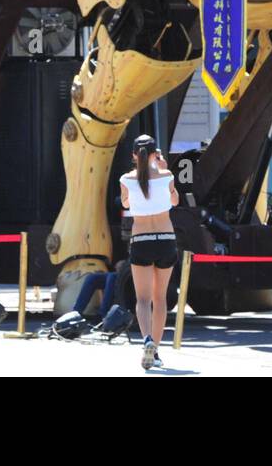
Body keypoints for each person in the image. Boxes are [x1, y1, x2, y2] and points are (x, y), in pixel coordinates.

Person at [119, 135, 179, 370]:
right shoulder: (167, 177)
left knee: (142, 299)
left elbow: (125, 204)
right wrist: (163, 169)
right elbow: (175, 201)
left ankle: (146, 341)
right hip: (165, 239)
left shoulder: (126, 179)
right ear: (156, 153)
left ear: (134, 156)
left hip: (141, 240)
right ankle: (155, 349)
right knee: (160, 298)